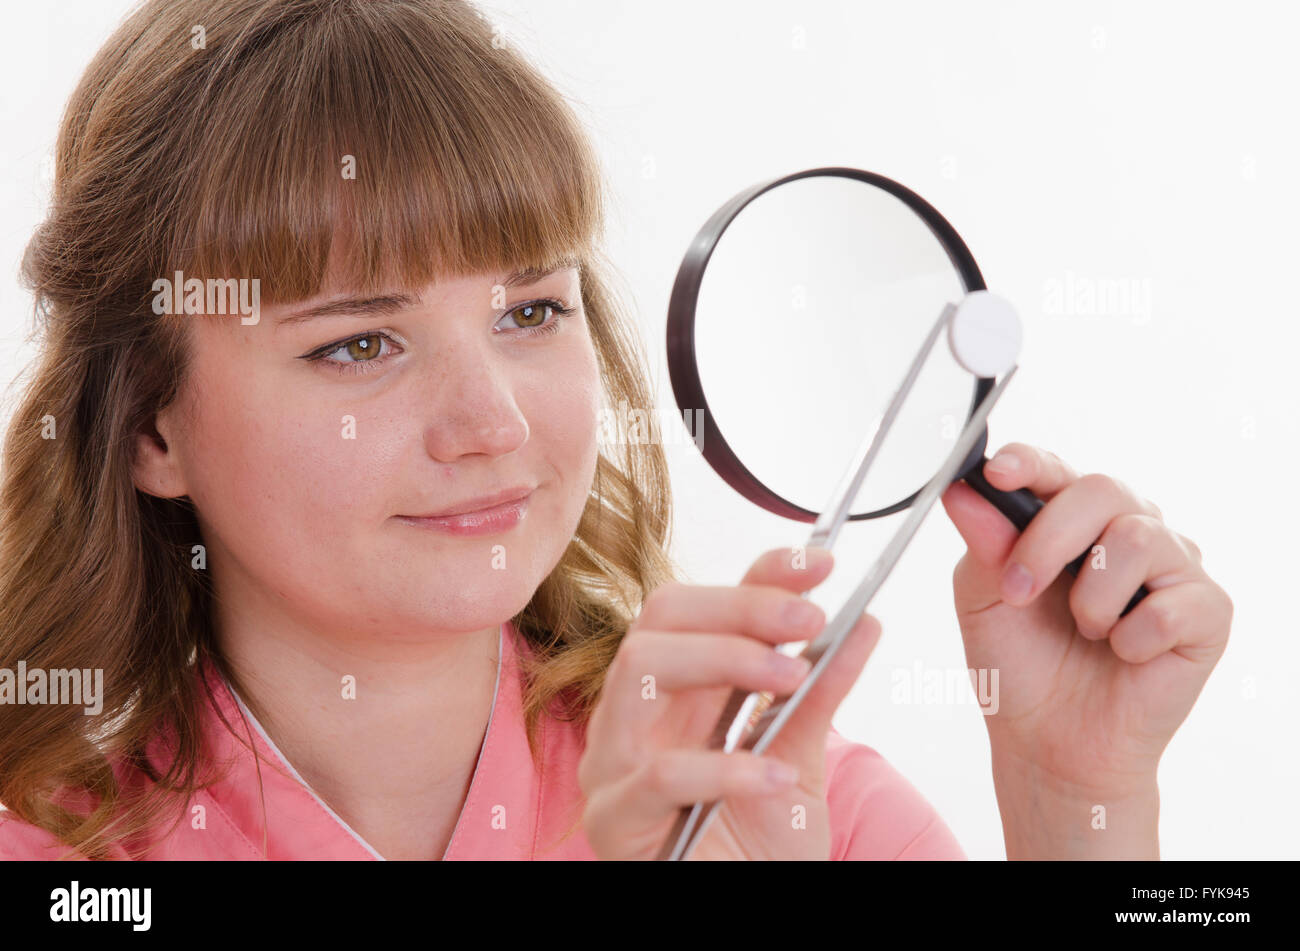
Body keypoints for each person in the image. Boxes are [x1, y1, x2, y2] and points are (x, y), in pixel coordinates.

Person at [0, 0, 1231, 861]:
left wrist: (1076, 800)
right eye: (357, 344)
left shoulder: (786, 804)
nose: (491, 423)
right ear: (147, 429)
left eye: (532, 310)